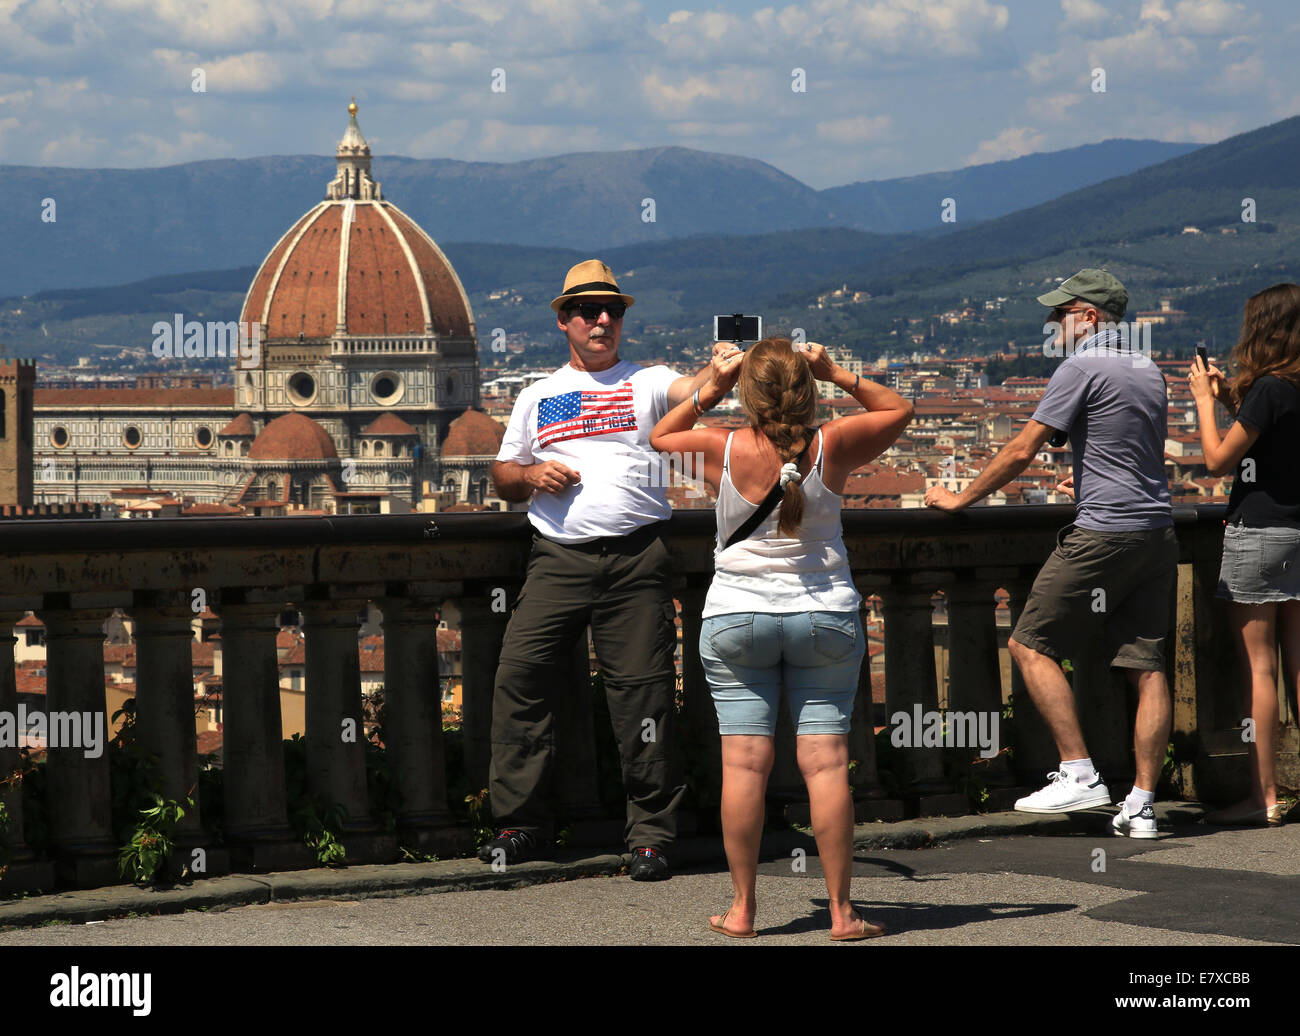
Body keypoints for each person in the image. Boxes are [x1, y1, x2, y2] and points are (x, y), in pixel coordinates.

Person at [650, 337, 913, 939]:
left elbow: (661, 436)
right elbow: (899, 411)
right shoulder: (835, 444)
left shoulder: (723, 447)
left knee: (744, 764)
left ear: (750, 395)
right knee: (826, 765)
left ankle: (742, 910)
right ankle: (843, 914)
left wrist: (711, 386)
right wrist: (838, 372)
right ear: (807, 390)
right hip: (824, 616)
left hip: (735, 617)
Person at [484, 259, 723, 880]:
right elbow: (504, 474)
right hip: (557, 557)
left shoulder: (648, 380)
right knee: (519, 681)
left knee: (643, 696)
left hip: (638, 557)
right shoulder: (536, 395)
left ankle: (651, 836)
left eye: (613, 311)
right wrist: (533, 474)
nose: (602, 320)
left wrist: (723, 371)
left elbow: (694, 395)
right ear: (563, 320)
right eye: (589, 311)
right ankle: (520, 825)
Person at [926, 269, 1177, 839]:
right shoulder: (1148, 367)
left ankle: (1079, 771)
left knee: (1028, 642)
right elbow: (1127, 452)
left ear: (1088, 316)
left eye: (1058, 313)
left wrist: (961, 497)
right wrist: (1084, 484)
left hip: (1106, 532)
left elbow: (1022, 449)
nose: (1050, 324)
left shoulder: (1083, 365)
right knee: (1146, 666)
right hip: (1156, 531)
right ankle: (1140, 805)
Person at [1188, 283, 1300, 826]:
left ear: (1265, 330)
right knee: (1299, 665)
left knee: (1260, 667)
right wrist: (1235, 400)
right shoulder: (1291, 388)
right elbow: (1273, 439)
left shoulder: (1271, 387)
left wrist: (1206, 404)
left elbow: (1215, 460)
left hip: (1261, 533)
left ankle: (1264, 797)